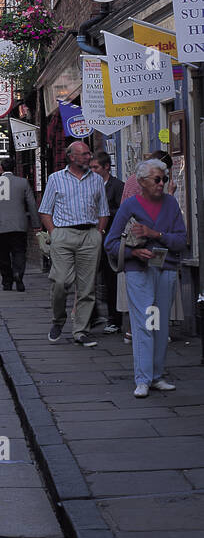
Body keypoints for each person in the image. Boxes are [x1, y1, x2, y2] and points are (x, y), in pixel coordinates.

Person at [104, 158, 186, 398]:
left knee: (160, 324)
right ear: (141, 182)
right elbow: (110, 243)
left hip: (166, 269)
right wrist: (134, 252)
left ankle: (157, 376)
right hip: (139, 271)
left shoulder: (170, 204)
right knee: (143, 325)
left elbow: (181, 240)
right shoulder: (130, 206)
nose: (161, 184)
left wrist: (156, 234)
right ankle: (142, 378)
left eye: (164, 179)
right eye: (157, 179)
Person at [38, 140, 109, 348]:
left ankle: (80, 330)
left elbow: (103, 210)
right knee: (60, 282)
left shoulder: (96, 180)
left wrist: (99, 233)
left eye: (90, 154)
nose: (89, 158)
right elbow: (45, 210)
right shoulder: (56, 179)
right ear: (72, 157)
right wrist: (54, 233)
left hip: (90, 234)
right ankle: (58, 320)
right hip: (63, 234)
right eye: (85, 154)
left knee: (87, 288)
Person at [0, 157, 40, 291]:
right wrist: (36, 224)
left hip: (0, 224)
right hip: (19, 224)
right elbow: (31, 204)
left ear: (1, 168)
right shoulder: (23, 182)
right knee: (19, 251)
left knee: (3, 254)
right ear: (14, 168)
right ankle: (18, 273)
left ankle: (6, 282)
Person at [91, 150, 125, 336]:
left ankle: (114, 320)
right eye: (91, 167)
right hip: (90, 239)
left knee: (110, 281)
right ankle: (92, 314)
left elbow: (122, 212)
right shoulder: (88, 186)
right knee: (86, 279)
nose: (92, 171)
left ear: (106, 167)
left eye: (95, 167)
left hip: (109, 240)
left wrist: (102, 213)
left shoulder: (117, 186)